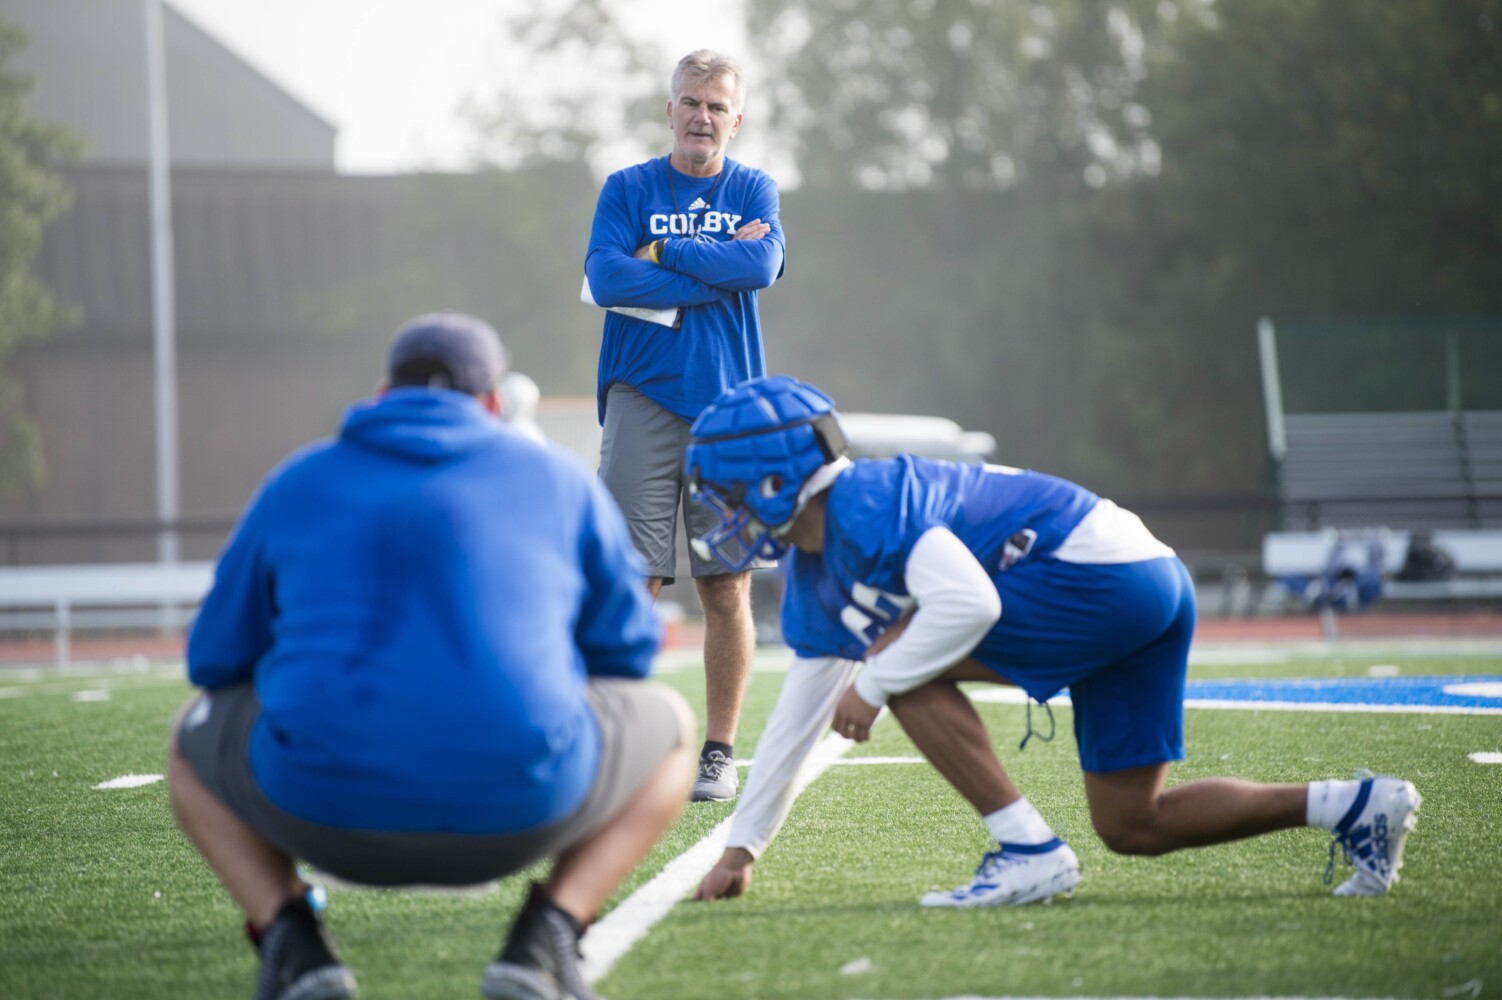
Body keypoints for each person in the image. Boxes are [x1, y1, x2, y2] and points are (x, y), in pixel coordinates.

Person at [685, 375, 1421, 907]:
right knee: (1133, 822)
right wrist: (741, 849)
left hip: (1096, 579)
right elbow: (798, 719)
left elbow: (966, 604)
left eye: (725, 490)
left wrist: (874, 685)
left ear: (778, 481)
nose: (717, 509)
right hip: (1144, 579)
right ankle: (1354, 807)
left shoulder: (869, 503)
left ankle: (1028, 851)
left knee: (897, 664)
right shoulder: (820, 562)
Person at [167, 312, 695, 1000]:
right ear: (493, 400)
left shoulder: (299, 480)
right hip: (523, 808)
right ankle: (549, 932)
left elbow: (213, 660)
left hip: (319, 811)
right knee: (676, 728)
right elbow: (626, 653)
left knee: (189, 737)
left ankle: (292, 941)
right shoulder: (559, 482)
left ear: (384, 390)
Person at [583, 49, 786, 802]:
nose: (702, 116)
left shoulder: (755, 187)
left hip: (729, 405)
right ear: (668, 110)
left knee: (726, 586)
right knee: (634, 580)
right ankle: (630, 744)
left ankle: (717, 753)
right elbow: (606, 277)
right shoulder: (627, 187)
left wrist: (665, 249)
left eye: (716, 106)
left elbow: (760, 267)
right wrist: (713, 263)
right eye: (689, 102)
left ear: (737, 118)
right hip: (641, 395)